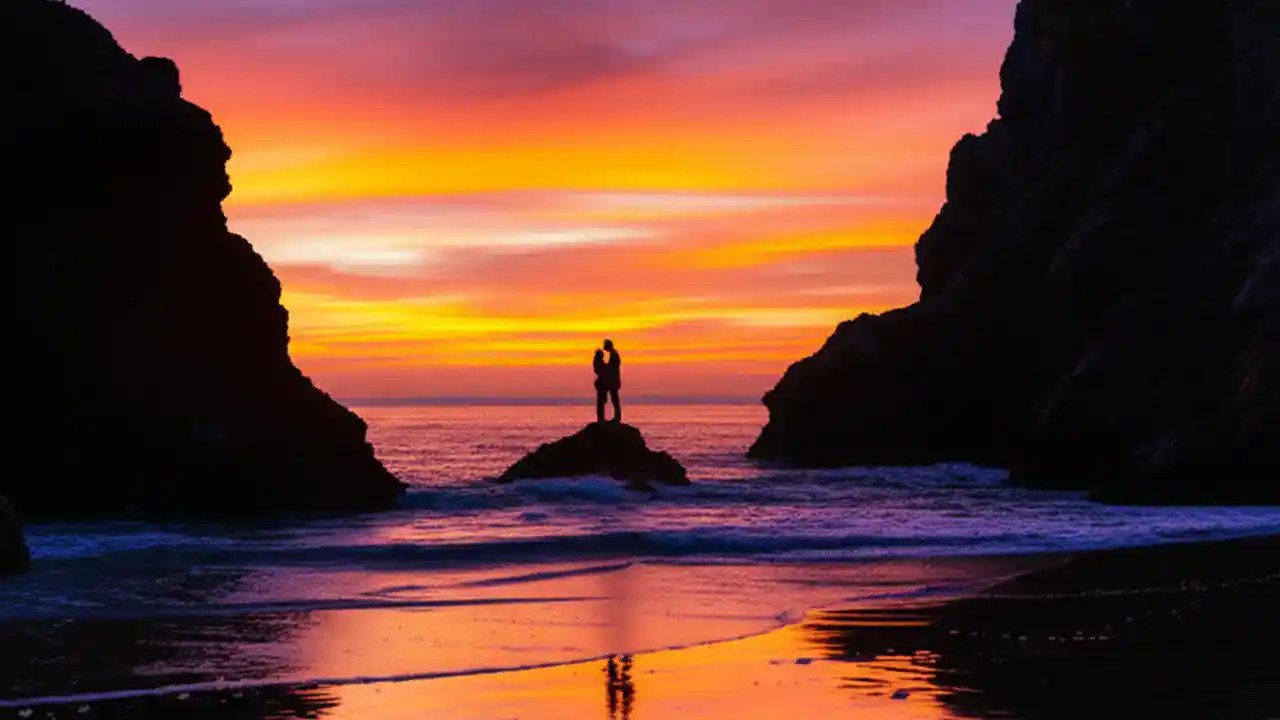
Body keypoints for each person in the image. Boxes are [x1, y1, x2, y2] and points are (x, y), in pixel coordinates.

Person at [595, 338, 622, 423]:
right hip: (610, 382)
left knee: (613, 400)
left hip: (611, 382)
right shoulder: (613, 354)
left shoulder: (613, 355)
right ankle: (612, 418)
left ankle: (616, 418)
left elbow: (610, 369)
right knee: (610, 400)